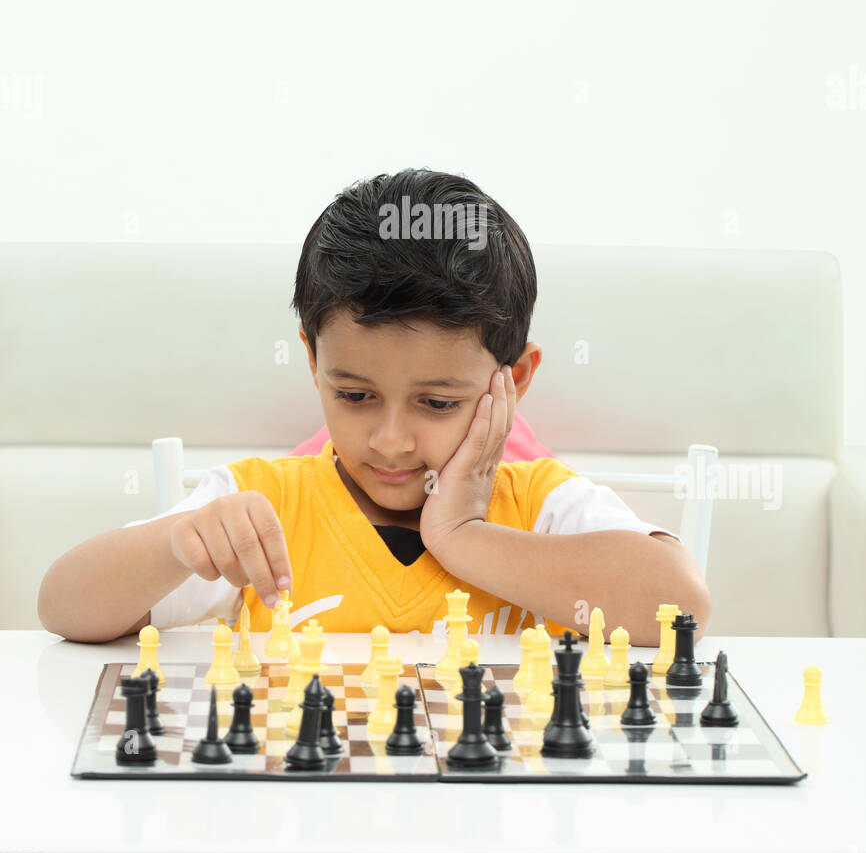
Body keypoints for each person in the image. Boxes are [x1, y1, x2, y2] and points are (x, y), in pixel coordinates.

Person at [38, 168, 711, 645]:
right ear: (312, 360)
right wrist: (173, 541)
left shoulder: (539, 508)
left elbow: (679, 608)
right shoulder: (264, 507)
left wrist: (466, 538)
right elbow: (64, 607)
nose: (391, 441)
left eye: (438, 402)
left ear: (515, 381)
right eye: (355, 395)